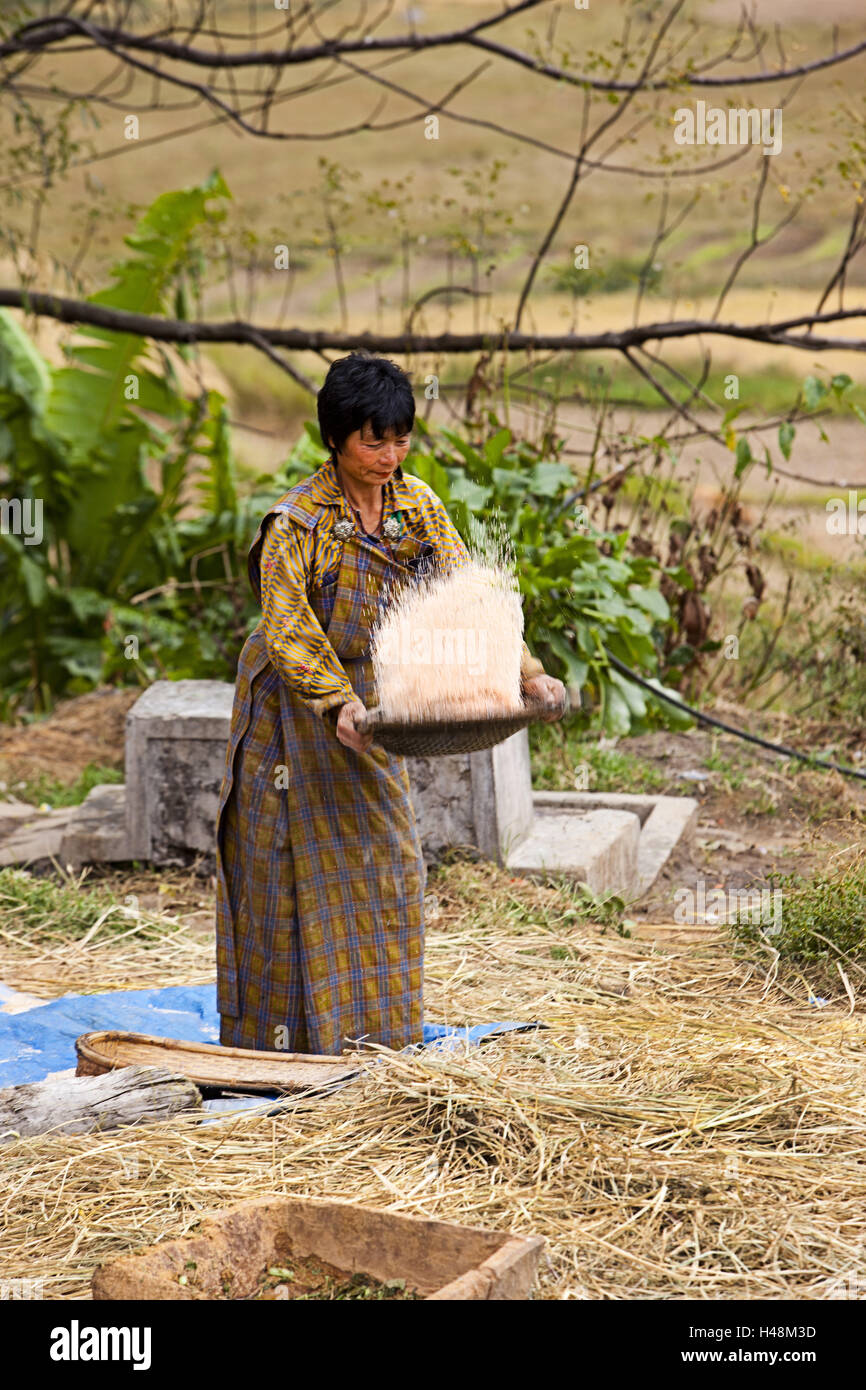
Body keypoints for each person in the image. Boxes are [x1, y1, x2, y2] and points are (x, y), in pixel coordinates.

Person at [215, 351, 566, 1056]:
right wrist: (336, 703)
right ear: (336, 439)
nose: (389, 454)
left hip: (375, 706)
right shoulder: (297, 522)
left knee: (391, 865)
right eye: (373, 440)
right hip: (293, 706)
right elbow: (288, 628)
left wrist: (526, 671)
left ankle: (379, 1044)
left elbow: (470, 596)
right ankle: (279, 1050)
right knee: (279, 867)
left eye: (400, 438)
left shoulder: (417, 505)